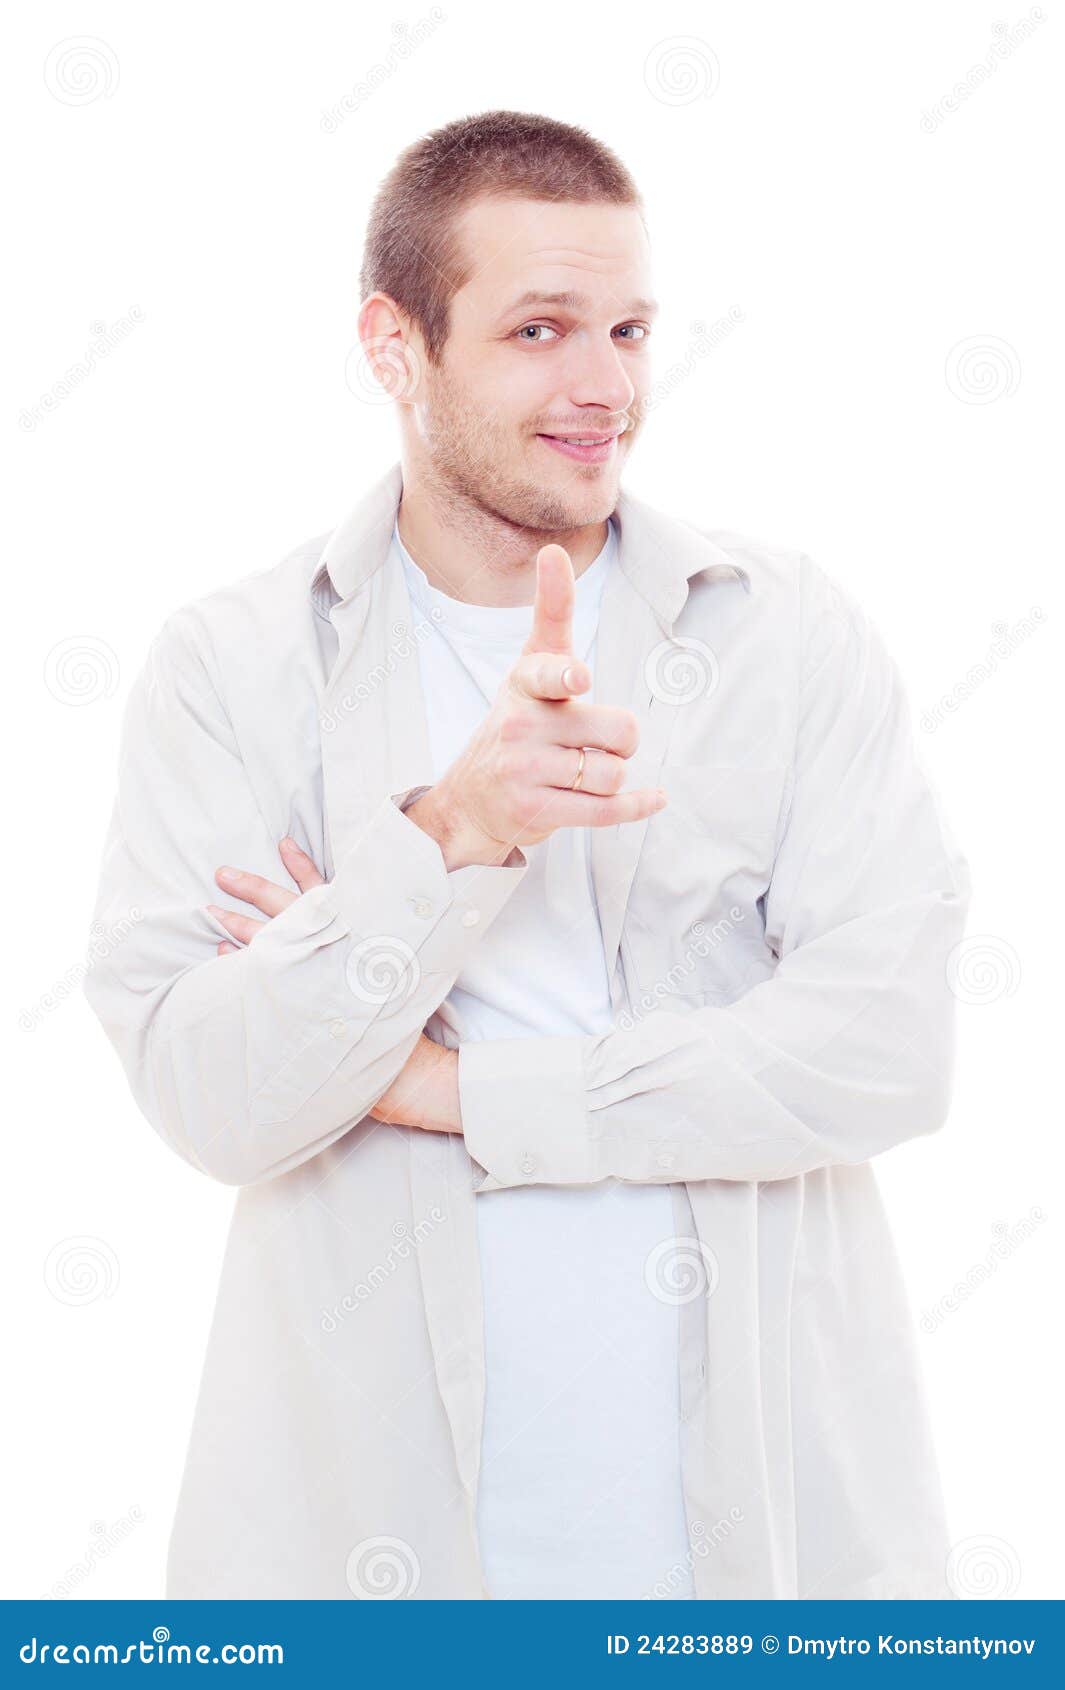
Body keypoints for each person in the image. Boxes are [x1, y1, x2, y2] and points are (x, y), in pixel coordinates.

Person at [84, 110, 971, 1600]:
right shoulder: (231, 666)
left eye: (627, 327)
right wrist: (452, 833)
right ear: (395, 343)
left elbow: (889, 1048)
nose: (605, 383)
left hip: (756, 1568)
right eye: (540, 328)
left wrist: (438, 1079)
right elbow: (213, 1097)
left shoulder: (785, 633)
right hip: (365, 1568)